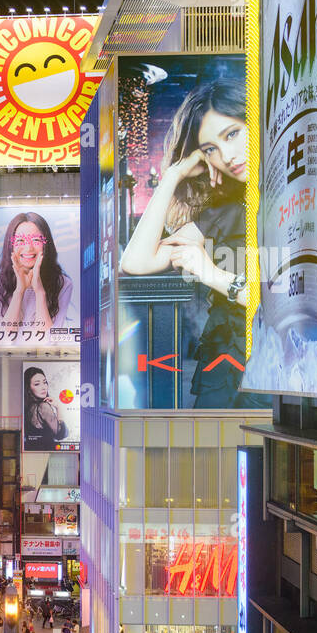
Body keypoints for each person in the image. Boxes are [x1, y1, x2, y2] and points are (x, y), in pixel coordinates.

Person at [117, 77, 253, 408]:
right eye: (211, 149)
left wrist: (212, 275)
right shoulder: (226, 213)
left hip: (279, 375)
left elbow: (281, 304)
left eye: (232, 134)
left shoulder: (297, 198)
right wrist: (174, 176)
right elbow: (136, 262)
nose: (227, 156)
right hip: (227, 367)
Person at [0, 210, 76, 334]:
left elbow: (49, 340)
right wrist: (19, 291)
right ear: (10, 246)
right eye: (20, 241)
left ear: (46, 244)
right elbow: (3, 338)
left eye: (36, 240)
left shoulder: (63, 283)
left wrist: (39, 292)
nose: (28, 248)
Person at [23, 366, 69, 450]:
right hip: (47, 451)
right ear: (28, 388)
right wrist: (59, 407)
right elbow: (61, 434)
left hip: (30, 451)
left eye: (44, 382)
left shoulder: (27, 407)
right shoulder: (43, 407)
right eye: (37, 384)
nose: (43, 387)